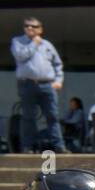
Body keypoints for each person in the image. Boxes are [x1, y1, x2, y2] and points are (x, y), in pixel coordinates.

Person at [10, 17, 66, 154]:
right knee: (28, 116)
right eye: (27, 26)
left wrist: (58, 80)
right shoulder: (17, 42)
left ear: (40, 29)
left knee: (52, 116)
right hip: (27, 84)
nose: (30, 28)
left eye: (33, 26)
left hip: (48, 85)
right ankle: (29, 146)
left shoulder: (47, 45)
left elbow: (57, 64)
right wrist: (33, 44)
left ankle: (59, 146)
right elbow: (20, 56)